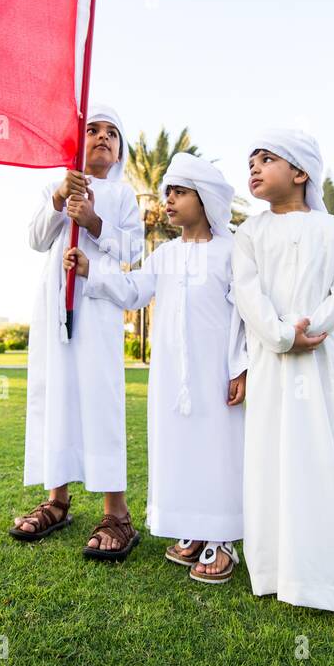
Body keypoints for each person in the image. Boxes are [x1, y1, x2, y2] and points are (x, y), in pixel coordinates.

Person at [65, 152, 248, 583]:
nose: (168, 200)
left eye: (179, 192)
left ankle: (221, 539)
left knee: (218, 453)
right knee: (179, 451)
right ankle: (193, 530)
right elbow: (131, 291)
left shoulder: (232, 251)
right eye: (167, 191)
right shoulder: (164, 255)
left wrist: (242, 368)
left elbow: (245, 316)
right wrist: (92, 271)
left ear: (204, 201)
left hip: (217, 377)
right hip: (171, 378)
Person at [231, 129, 334, 613]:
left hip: (322, 362)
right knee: (273, 458)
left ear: (300, 173)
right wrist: (281, 336)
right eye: (250, 160)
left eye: (266, 159)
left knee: (330, 456)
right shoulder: (249, 233)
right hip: (273, 366)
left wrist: (308, 330)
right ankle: (279, 571)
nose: (253, 168)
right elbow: (247, 292)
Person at [11, 104, 144, 560]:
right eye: (92, 129)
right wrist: (57, 202)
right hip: (54, 306)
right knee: (56, 394)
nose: (102, 137)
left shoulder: (123, 196)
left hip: (98, 303)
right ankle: (57, 501)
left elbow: (132, 248)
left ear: (120, 148)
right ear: (77, 139)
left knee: (99, 396)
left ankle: (117, 513)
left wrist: (92, 221)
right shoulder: (58, 184)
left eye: (112, 132)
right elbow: (34, 238)